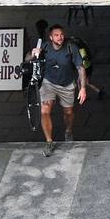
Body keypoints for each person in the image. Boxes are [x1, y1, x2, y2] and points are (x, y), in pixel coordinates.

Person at [25, 24, 86, 157]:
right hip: (48, 83)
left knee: (68, 112)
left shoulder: (71, 47)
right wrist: (33, 53)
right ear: (51, 37)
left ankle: (68, 131)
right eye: (56, 35)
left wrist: (83, 88)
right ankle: (49, 141)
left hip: (67, 84)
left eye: (61, 35)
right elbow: (27, 59)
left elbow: (80, 68)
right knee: (44, 111)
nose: (60, 37)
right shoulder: (45, 47)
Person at [68, 35, 105, 100]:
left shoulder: (81, 50)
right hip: (88, 66)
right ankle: (99, 91)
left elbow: (83, 58)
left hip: (85, 68)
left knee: (80, 82)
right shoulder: (83, 46)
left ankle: (82, 97)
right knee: (86, 82)